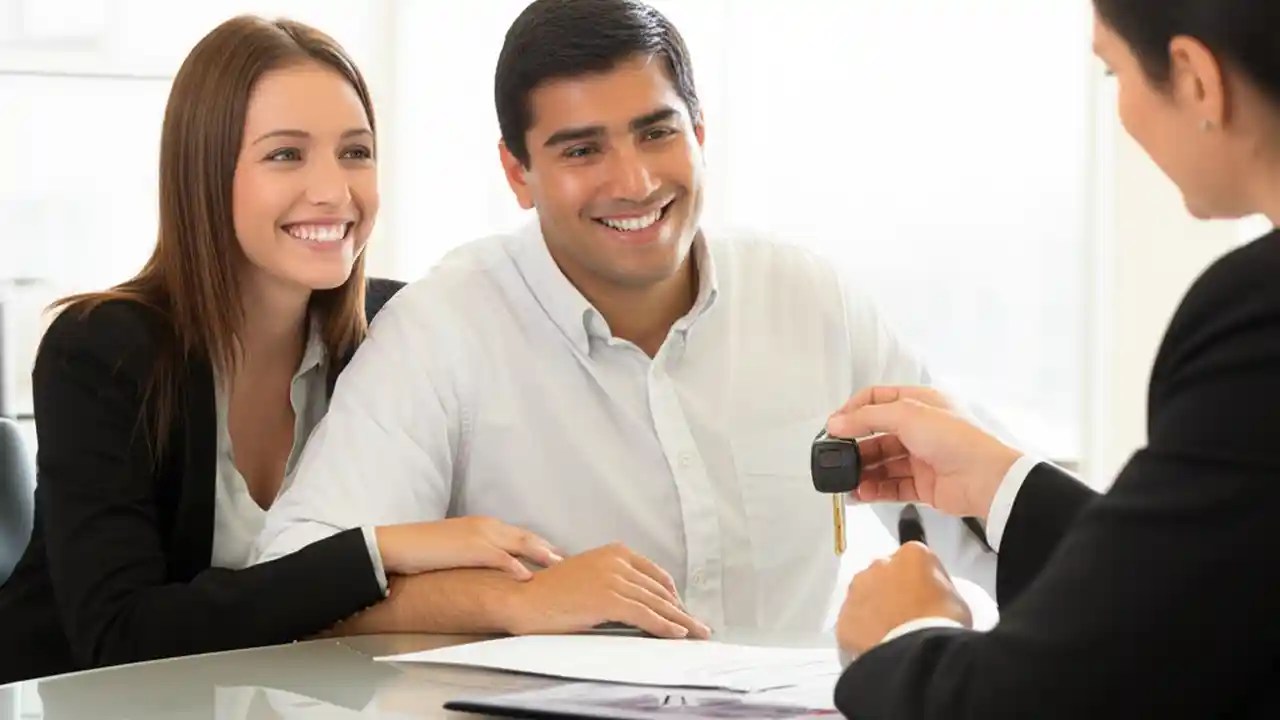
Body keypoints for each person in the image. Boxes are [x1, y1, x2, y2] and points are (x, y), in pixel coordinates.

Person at [255, 0, 997, 641]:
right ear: (518, 174)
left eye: (657, 133)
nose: (635, 181)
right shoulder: (443, 329)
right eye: (582, 149)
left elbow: (983, 519)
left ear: (700, 134)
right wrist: (517, 602)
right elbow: (293, 581)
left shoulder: (810, 300)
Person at [0, 15, 559, 685]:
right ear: (206, 172)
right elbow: (123, 635)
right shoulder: (102, 350)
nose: (334, 190)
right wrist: (379, 553)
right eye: (286, 154)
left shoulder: (397, 327)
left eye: (355, 152)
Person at [827, 0, 1280, 716]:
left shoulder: (1258, 316)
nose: (1122, 108)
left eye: (1114, 72)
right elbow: (1219, 566)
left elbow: (1045, 701)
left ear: (1195, 78)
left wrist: (903, 636)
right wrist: (1003, 486)